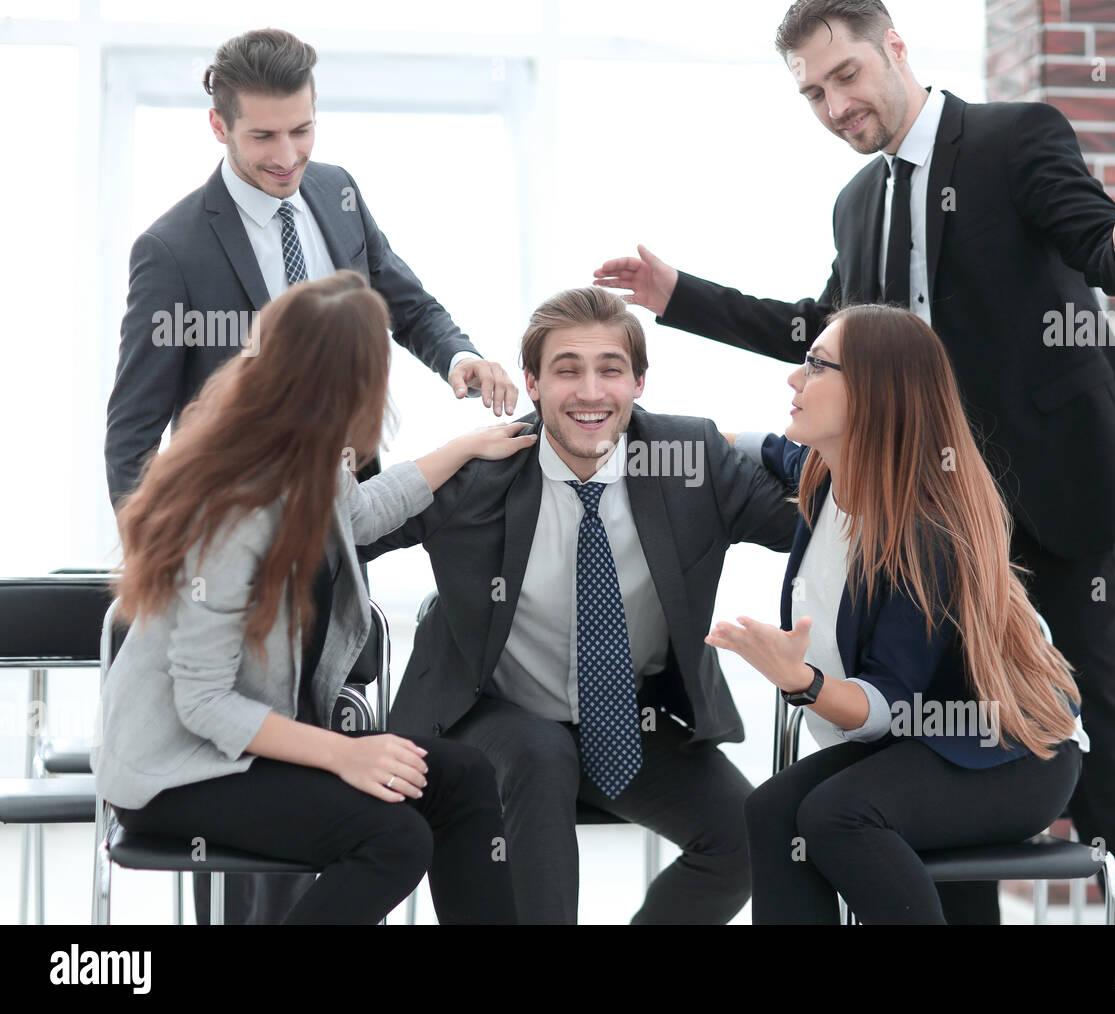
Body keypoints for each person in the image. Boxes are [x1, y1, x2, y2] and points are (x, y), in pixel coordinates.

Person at [595, 0, 1115, 924]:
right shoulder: (857, 202)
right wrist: (682, 298)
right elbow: (826, 332)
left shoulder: (1013, 139)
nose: (835, 106)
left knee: (1104, 749)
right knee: (941, 751)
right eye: (813, 94)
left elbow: (1093, 238)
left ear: (896, 50)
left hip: (1050, 509)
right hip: (928, 527)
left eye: (846, 75)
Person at [104, 26, 518, 923]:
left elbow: (354, 506)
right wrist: (168, 571)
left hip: (309, 556)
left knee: (444, 785)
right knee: (365, 833)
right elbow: (131, 433)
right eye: (264, 136)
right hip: (206, 693)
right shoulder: (172, 251)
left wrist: (463, 430)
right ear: (219, 126)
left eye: (303, 130)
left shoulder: (336, 195)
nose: (288, 155)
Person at [93, 271, 531, 925]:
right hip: (176, 773)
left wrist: (464, 448)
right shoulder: (239, 506)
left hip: (235, 751)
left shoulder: (299, 452)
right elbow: (203, 704)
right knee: (394, 839)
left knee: (462, 777)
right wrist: (347, 754)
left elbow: (359, 515)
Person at [357, 286, 799, 924]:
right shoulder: (482, 471)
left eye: (610, 370)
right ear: (533, 384)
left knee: (745, 838)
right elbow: (343, 535)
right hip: (492, 717)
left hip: (626, 720)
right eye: (567, 370)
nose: (590, 392)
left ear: (639, 382)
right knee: (541, 755)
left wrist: (773, 443)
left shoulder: (691, 459)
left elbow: (817, 525)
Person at [707, 304, 1085, 923]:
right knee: (770, 811)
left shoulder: (924, 535)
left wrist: (802, 681)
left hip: (1007, 754)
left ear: (874, 393)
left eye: (816, 366)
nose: (794, 379)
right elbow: (765, 450)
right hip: (915, 743)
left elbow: (886, 703)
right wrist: (660, 436)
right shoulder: (828, 477)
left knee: (837, 817)